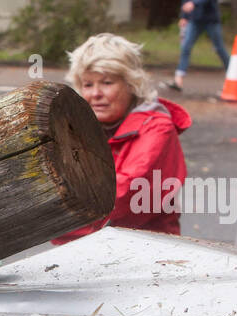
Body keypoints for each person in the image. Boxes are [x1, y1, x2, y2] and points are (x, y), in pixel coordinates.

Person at [55, 33, 192, 244]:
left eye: (107, 82)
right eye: (88, 84)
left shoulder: (157, 129)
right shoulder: (80, 127)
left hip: (148, 254)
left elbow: (119, 199)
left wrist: (50, 221)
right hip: (87, 251)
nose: (95, 94)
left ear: (131, 84)